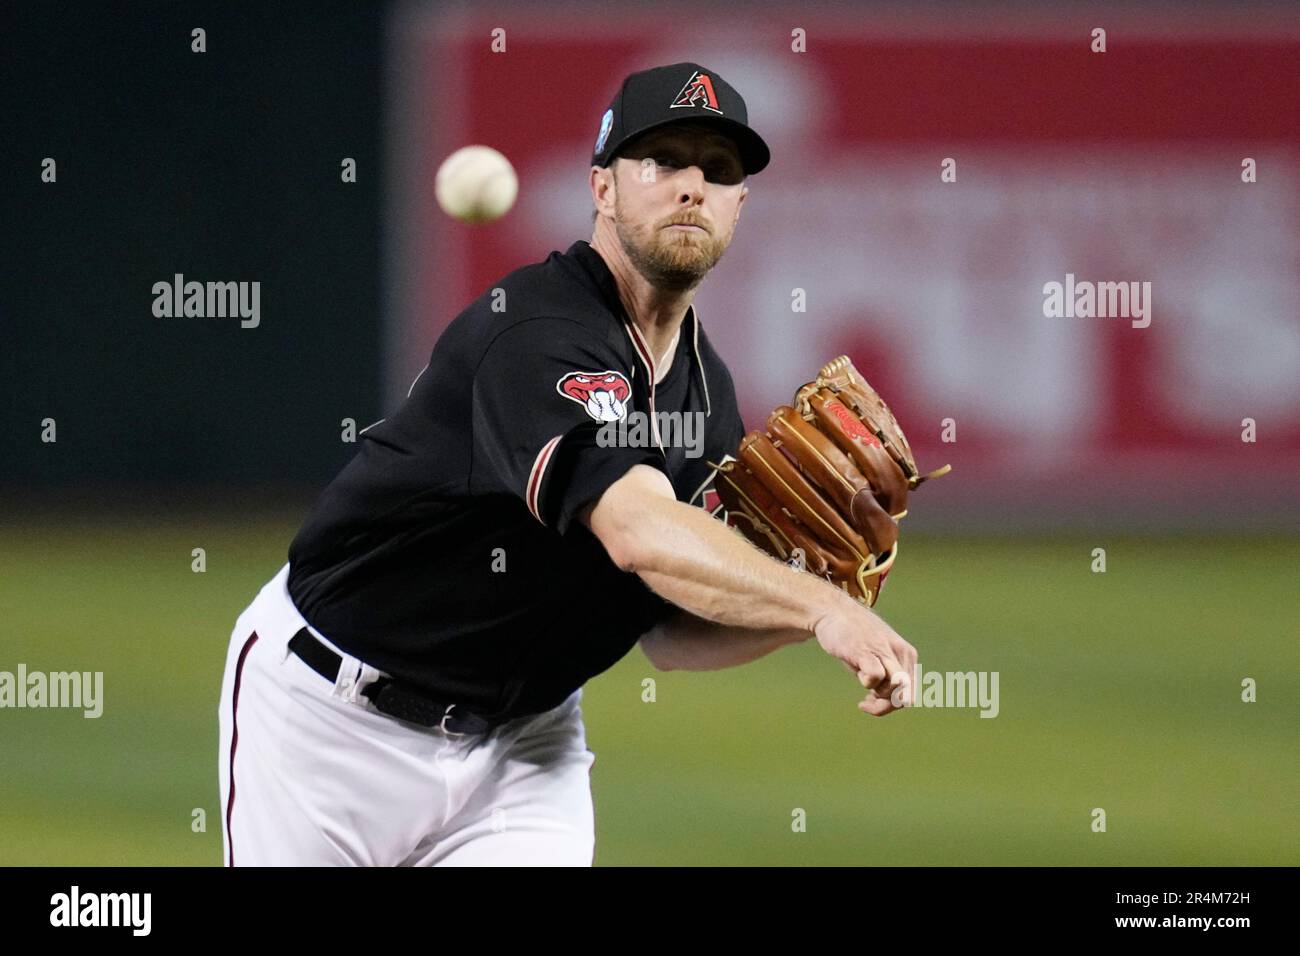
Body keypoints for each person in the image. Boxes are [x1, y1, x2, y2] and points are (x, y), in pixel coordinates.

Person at [217, 61, 916, 867]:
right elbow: (637, 532)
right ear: (602, 188)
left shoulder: (706, 391)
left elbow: (670, 630)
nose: (692, 186)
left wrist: (813, 606)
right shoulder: (533, 332)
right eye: (662, 161)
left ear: (740, 206)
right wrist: (816, 606)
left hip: (525, 750)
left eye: (718, 171)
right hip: (329, 722)